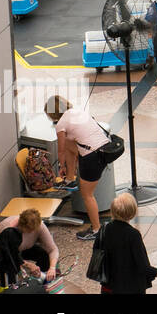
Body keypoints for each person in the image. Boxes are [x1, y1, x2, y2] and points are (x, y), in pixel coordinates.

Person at [47, 96, 110, 241]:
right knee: (70, 143)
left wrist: (61, 167)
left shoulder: (61, 124)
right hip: (103, 151)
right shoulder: (77, 112)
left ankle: (96, 229)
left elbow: (61, 151)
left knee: (87, 195)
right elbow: (69, 147)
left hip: (92, 157)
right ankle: (70, 179)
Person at [97, 193, 157, 294]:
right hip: (129, 289)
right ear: (132, 213)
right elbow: (144, 268)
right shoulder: (133, 235)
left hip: (108, 288)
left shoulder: (104, 229)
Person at [0, 207, 59, 287]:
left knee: (44, 255)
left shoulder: (39, 225)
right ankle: (30, 285)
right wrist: (28, 265)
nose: (32, 232)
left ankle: (42, 281)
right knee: (11, 272)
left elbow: (53, 249)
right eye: (29, 230)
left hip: (17, 249)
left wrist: (52, 268)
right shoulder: (8, 231)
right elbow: (9, 257)